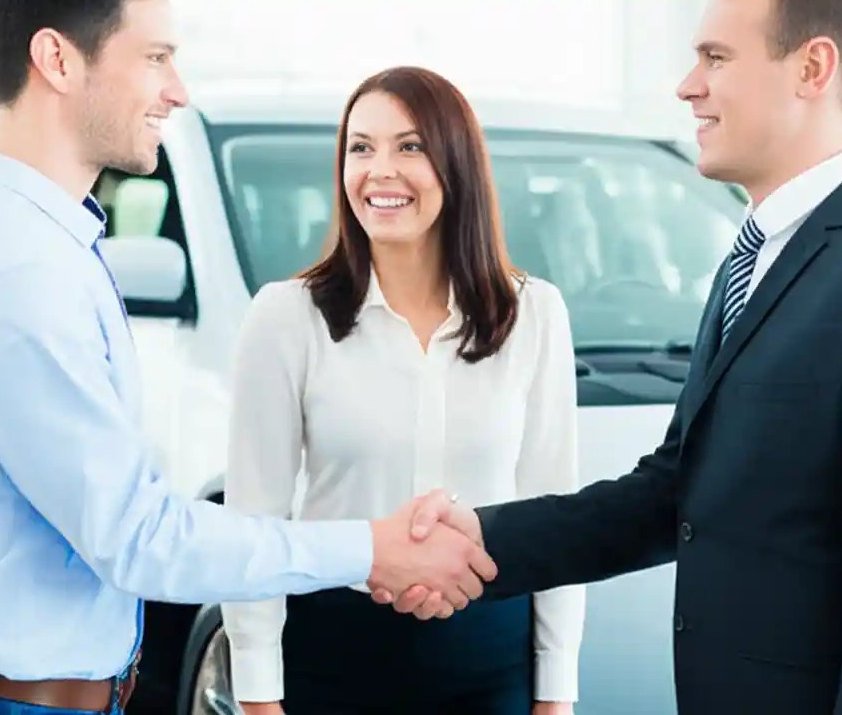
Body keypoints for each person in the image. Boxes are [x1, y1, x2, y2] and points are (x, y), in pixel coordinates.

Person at [378, 0, 842, 713]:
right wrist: (483, 538)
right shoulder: (758, 258)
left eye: (715, 57)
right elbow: (679, 492)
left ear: (813, 67)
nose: (687, 86)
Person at [0, 0, 493, 714]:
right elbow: (139, 538)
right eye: (156, 58)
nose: (178, 89)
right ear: (57, 60)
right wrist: (373, 549)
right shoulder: (21, 270)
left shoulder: (19, 232)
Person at [221, 66, 585, 715]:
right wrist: (257, 695)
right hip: (332, 655)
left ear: (457, 165)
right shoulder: (285, 317)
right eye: (361, 147)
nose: (379, 170)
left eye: (409, 146)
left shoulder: (536, 314)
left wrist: (557, 692)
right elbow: (255, 522)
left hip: (490, 658)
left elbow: (552, 512)